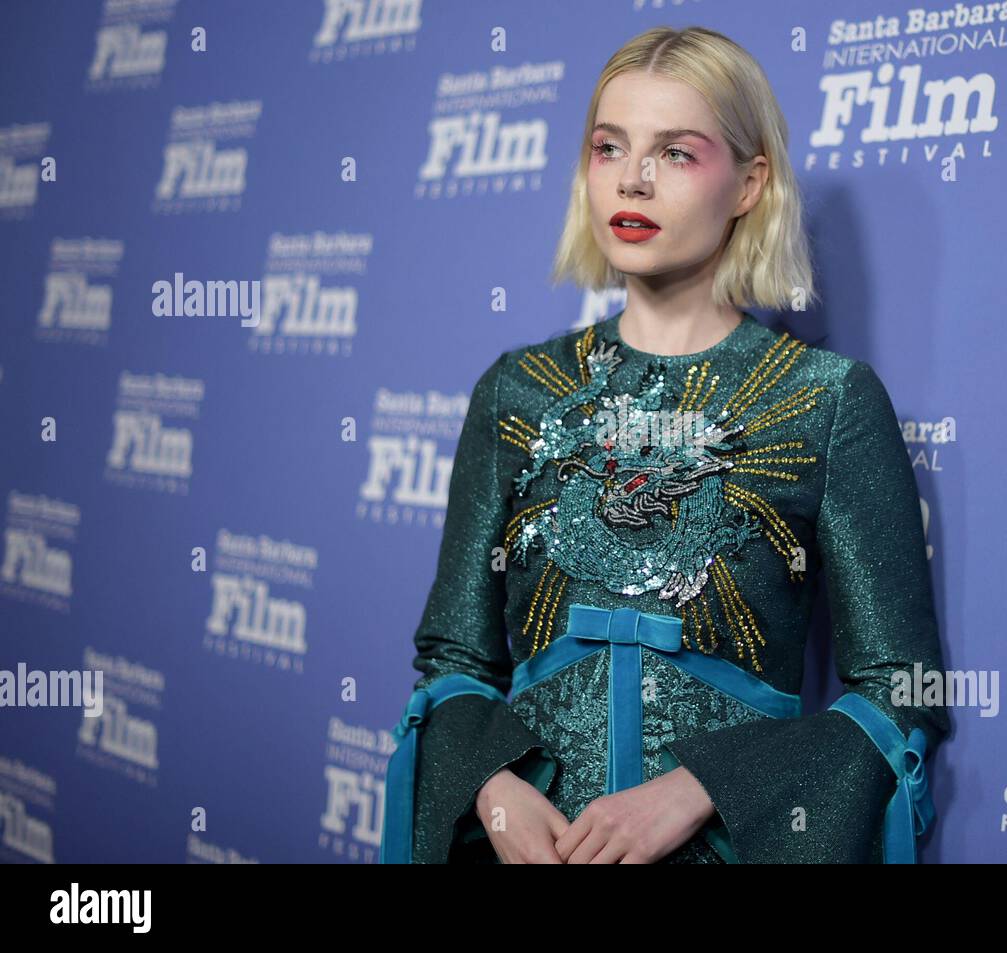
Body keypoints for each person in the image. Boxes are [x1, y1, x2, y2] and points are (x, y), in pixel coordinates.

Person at [380, 25, 951, 864]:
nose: (632, 179)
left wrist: (700, 789)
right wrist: (495, 791)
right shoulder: (517, 390)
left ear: (751, 182)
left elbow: (903, 691)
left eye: (676, 153)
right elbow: (455, 661)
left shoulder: (826, 400)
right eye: (609, 146)